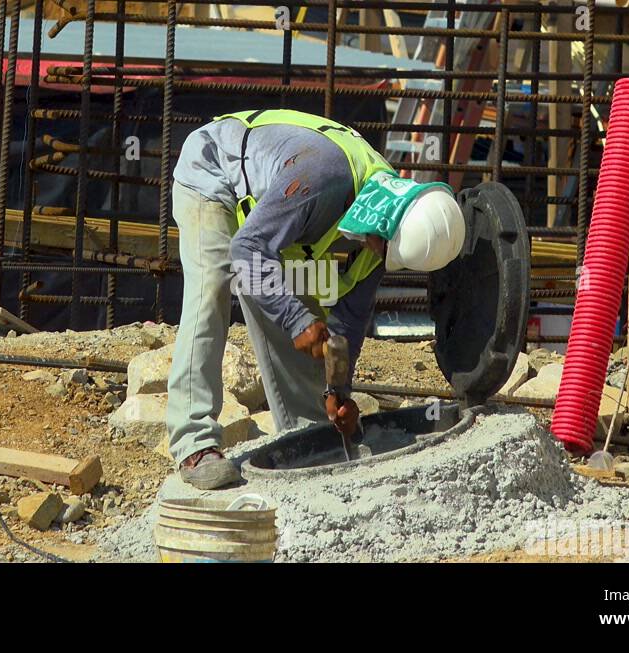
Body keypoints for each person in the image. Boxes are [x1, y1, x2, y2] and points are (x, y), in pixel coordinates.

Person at [166, 109, 467, 489]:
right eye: (384, 250)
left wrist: (337, 392)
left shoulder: (385, 218)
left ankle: (308, 437)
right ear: (387, 226)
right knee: (213, 285)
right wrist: (296, 321)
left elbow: (350, 321)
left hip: (270, 214)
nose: (379, 257)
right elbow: (247, 250)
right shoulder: (322, 178)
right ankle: (195, 444)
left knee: (291, 303)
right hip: (212, 173)